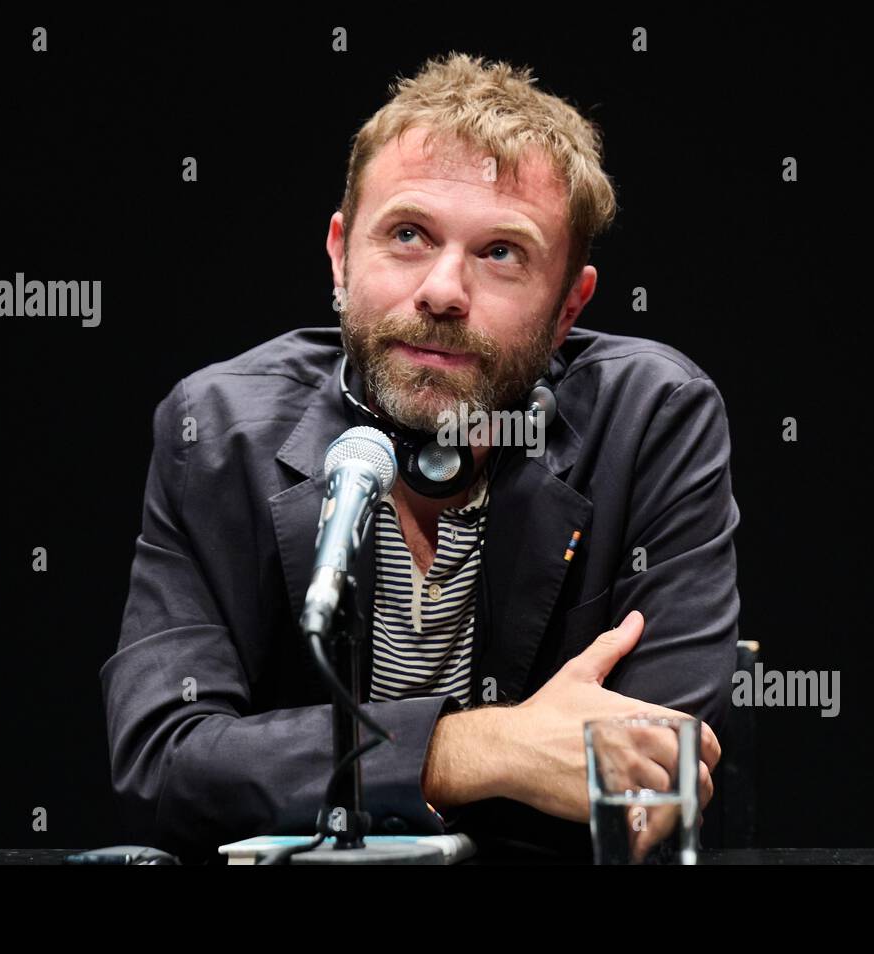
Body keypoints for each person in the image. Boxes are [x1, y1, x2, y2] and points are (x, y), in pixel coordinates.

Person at [101, 52, 741, 863]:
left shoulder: (651, 419)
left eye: (502, 253)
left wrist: (301, 771)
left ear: (567, 307)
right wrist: (477, 749)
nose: (443, 290)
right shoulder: (219, 431)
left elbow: (650, 784)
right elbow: (163, 769)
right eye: (408, 234)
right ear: (340, 256)